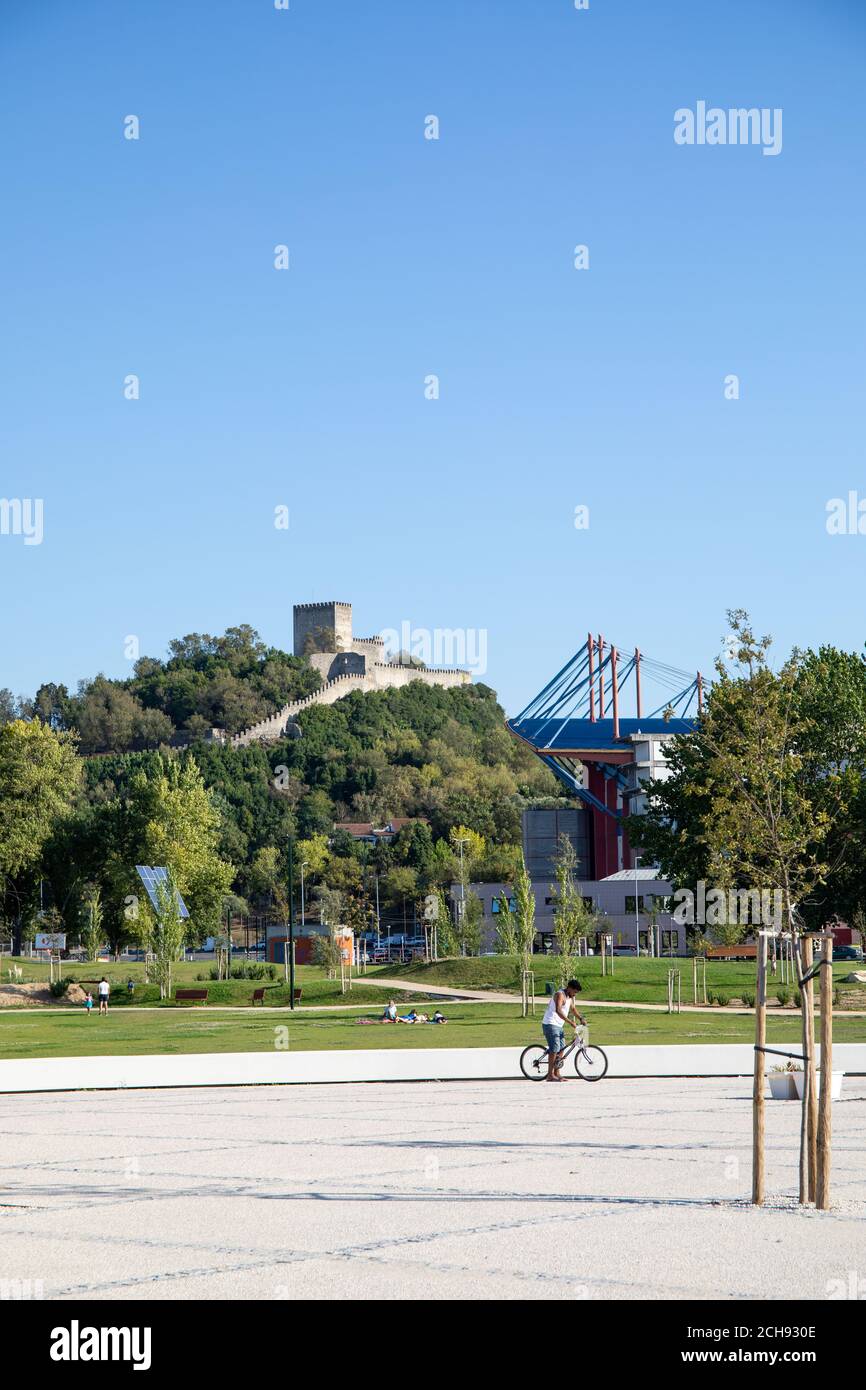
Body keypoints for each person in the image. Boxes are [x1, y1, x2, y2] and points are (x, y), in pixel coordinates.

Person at [541, 979, 585, 1082]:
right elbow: (558, 1010)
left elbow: (573, 1009)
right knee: (554, 1048)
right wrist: (570, 1022)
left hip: (558, 1025)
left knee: (561, 1048)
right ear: (569, 988)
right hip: (550, 1023)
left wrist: (581, 1018)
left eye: (576, 993)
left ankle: (557, 1073)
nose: (575, 994)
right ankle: (550, 1075)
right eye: (574, 992)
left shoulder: (570, 997)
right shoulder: (560, 995)